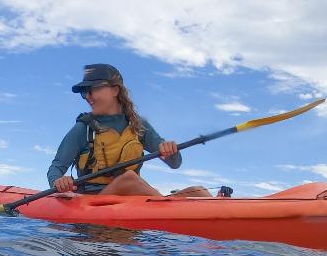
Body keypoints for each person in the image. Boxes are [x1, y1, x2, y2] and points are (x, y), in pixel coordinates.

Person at [48, 64, 213, 198]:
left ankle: (167, 207)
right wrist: (59, 182)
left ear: (115, 90)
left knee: (199, 192)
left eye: (93, 89)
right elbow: (56, 168)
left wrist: (171, 152)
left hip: (131, 199)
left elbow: (175, 164)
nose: (88, 96)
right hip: (94, 200)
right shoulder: (83, 128)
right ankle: (166, 206)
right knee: (128, 179)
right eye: (84, 92)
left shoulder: (138, 125)